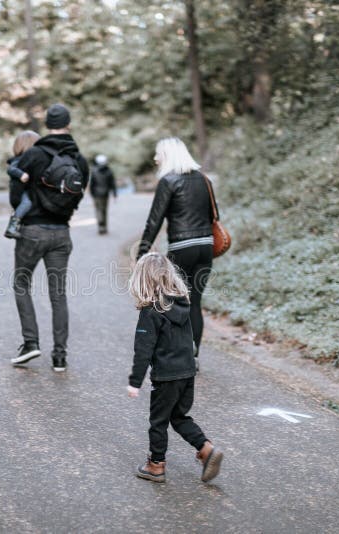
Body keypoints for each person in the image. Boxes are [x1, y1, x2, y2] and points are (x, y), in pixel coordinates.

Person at [126, 252, 223, 484]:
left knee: (158, 421)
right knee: (179, 417)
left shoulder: (150, 312)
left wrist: (135, 382)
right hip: (187, 372)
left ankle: (156, 465)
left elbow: (143, 351)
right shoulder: (183, 304)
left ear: (142, 280)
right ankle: (206, 448)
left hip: (167, 376)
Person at [9, 103, 90, 372]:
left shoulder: (33, 155)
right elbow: (78, 194)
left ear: (47, 125)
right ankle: (59, 356)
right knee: (58, 294)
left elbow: (14, 197)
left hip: (32, 231)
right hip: (62, 233)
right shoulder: (79, 160)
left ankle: (31, 343)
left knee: (21, 284)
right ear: (69, 124)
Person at [137, 137, 214, 368]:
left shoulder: (168, 181)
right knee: (195, 302)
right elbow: (213, 215)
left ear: (167, 155)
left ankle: (177, 353)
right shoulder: (204, 179)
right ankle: (194, 354)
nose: (155, 158)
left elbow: (154, 220)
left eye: (158, 153)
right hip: (206, 248)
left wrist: (143, 251)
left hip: (182, 247)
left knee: (173, 300)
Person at [4, 130, 41, 239]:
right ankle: (11, 228)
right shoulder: (20, 159)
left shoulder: (33, 159)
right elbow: (11, 169)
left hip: (29, 189)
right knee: (27, 203)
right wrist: (21, 174)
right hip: (21, 191)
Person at [90, 154, 117, 234]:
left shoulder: (94, 170)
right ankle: (104, 227)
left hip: (96, 194)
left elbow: (92, 184)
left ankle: (101, 226)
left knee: (98, 210)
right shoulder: (109, 170)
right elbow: (112, 183)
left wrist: (92, 193)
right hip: (105, 193)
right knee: (104, 210)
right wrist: (114, 193)